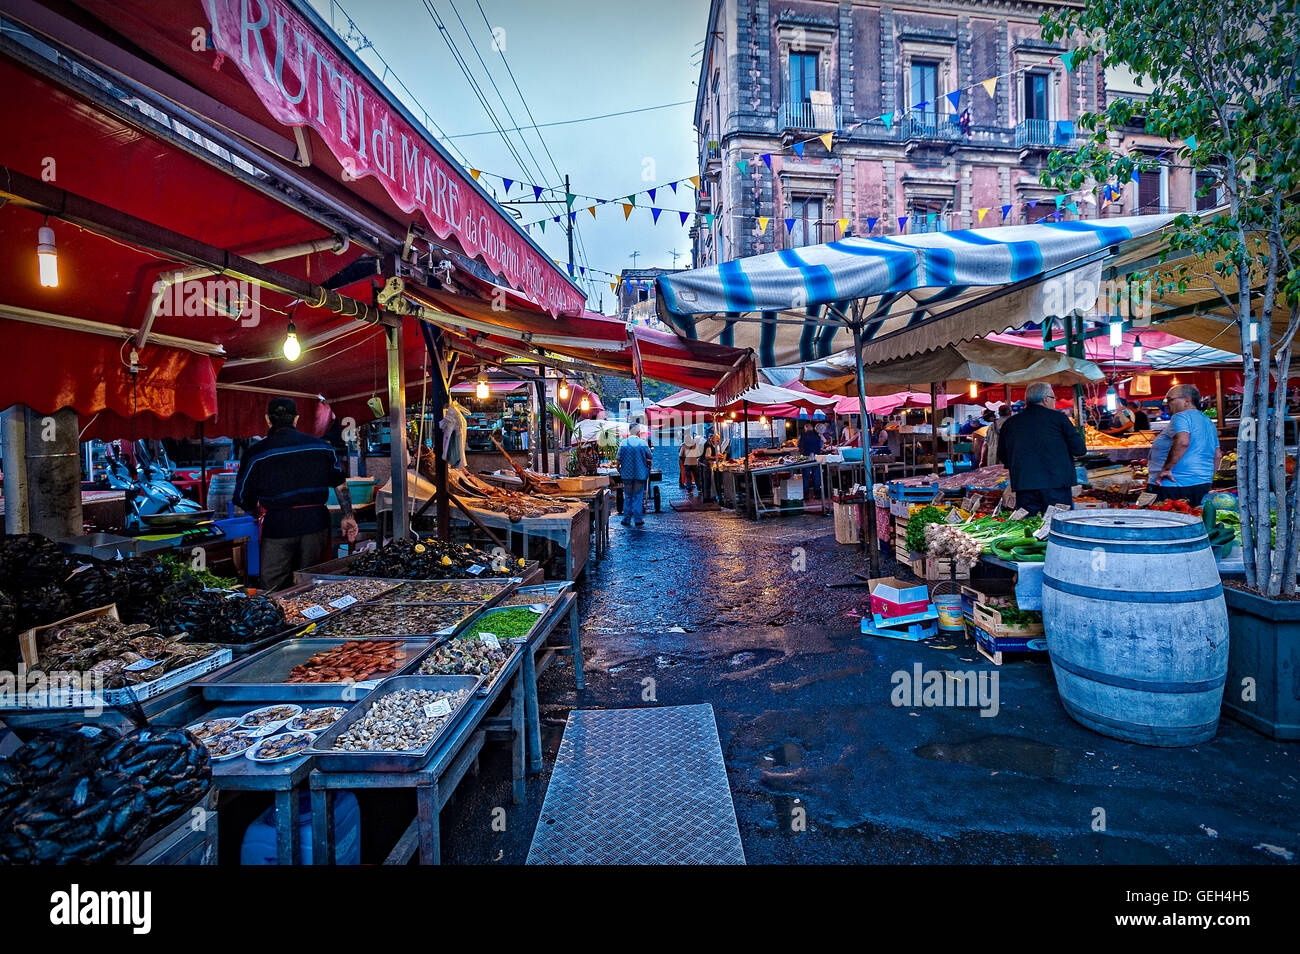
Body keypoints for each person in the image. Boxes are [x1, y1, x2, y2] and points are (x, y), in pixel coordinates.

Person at [234, 397, 358, 590]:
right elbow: (340, 484)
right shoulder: (321, 447)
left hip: (278, 526)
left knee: (273, 587)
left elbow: (242, 496)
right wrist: (348, 516)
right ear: (296, 419)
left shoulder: (256, 453)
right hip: (315, 524)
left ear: (268, 419)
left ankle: (280, 619)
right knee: (312, 583)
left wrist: (254, 512)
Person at [997, 382, 1087, 515]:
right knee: (1058, 526)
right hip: (1056, 485)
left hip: (1024, 486)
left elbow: (1003, 456)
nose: (1054, 402)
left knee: (1028, 528)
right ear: (1045, 399)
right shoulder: (1059, 419)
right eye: (1053, 398)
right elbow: (1079, 449)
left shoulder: (1010, 423)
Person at [1147, 384, 1221, 505]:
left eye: (1169, 399)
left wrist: (1166, 469)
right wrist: (1205, 477)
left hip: (1173, 486)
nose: (1165, 404)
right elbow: (1217, 455)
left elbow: (1182, 442)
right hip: (1200, 484)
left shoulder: (1180, 416)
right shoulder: (1207, 421)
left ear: (1187, 401)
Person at [616, 422, 653, 527]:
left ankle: (626, 519)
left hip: (626, 475)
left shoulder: (623, 443)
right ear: (638, 432)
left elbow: (618, 459)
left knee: (628, 496)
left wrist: (619, 469)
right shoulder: (643, 443)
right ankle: (638, 520)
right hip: (640, 474)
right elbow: (650, 456)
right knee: (638, 496)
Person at [797, 421, 823, 500]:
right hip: (816, 457)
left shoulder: (802, 435)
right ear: (812, 428)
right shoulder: (817, 436)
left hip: (804, 458)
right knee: (816, 475)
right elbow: (821, 446)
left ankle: (806, 495)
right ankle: (817, 494)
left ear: (805, 428)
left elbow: (798, 445)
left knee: (806, 477)